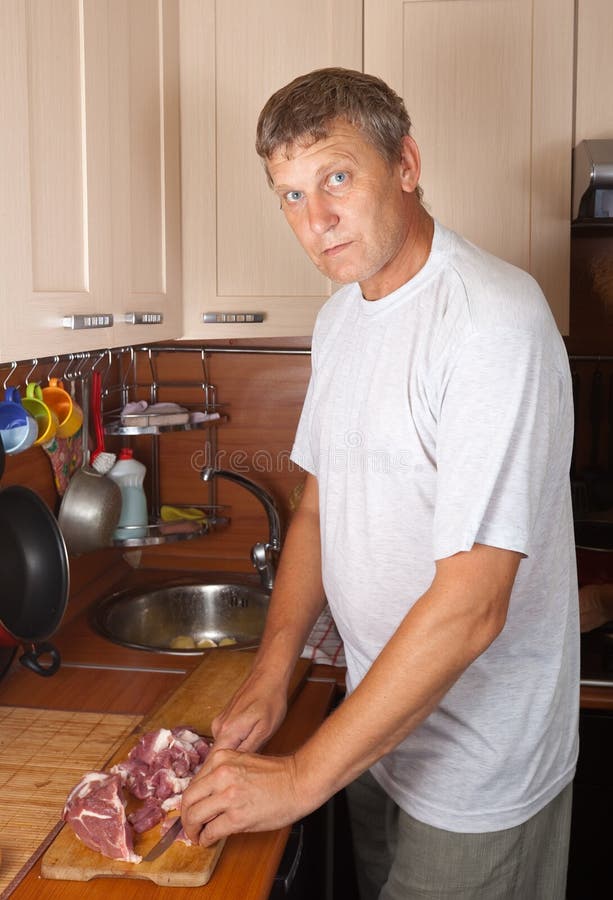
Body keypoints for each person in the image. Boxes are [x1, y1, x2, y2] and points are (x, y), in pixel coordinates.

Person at [181, 67, 579, 899]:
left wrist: (299, 778)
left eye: (335, 177)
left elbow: (473, 604)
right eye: (290, 195)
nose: (314, 220)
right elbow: (318, 508)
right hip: (372, 739)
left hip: (477, 773)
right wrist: (273, 671)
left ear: (405, 164)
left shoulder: (490, 323)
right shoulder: (342, 318)